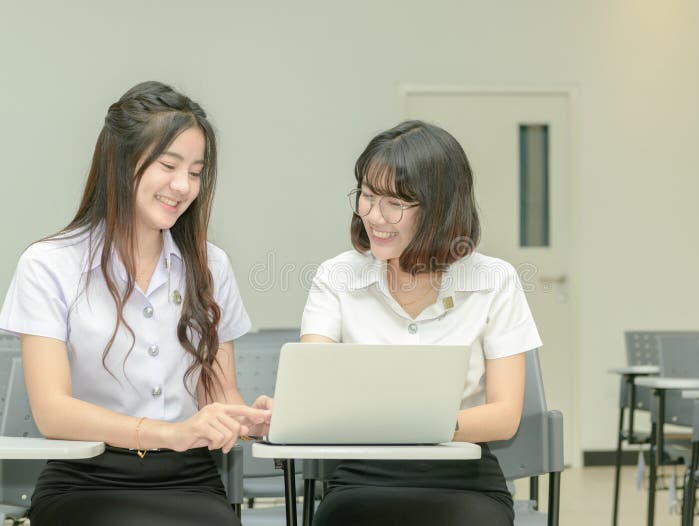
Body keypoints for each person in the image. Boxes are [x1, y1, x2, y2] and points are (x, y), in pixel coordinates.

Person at [0, 81, 271, 526]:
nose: (183, 186)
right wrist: (171, 433)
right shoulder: (48, 264)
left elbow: (220, 394)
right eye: (169, 165)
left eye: (197, 171)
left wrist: (249, 420)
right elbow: (53, 412)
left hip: (190, 480)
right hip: (85, 480)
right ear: (121, 161)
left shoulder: (210, 266)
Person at [301, 120, 542, 526]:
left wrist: (406, 422)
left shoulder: (494, 281)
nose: (374, 216)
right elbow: (315, 392)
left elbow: (504, 416)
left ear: (439, 208)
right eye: (367, 195)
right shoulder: (336, 276)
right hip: (364, 478)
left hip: (464, 478)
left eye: (394, 203)